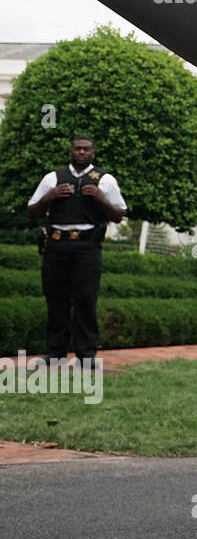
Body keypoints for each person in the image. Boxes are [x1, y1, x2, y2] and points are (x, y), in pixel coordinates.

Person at [27, 136, 127, 366]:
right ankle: (56, 352)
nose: (82, 152)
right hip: (56, 245)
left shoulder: (105, 180)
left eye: (86, 149)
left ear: (93, 153)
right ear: (70, 151)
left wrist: (101, 199)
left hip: (87, 247)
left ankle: (86, 354)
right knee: (56, 297)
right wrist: (49, 197)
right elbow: (32, 212)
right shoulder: (53, 178)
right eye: (77, 149)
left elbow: (118, 215)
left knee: (85, 298)